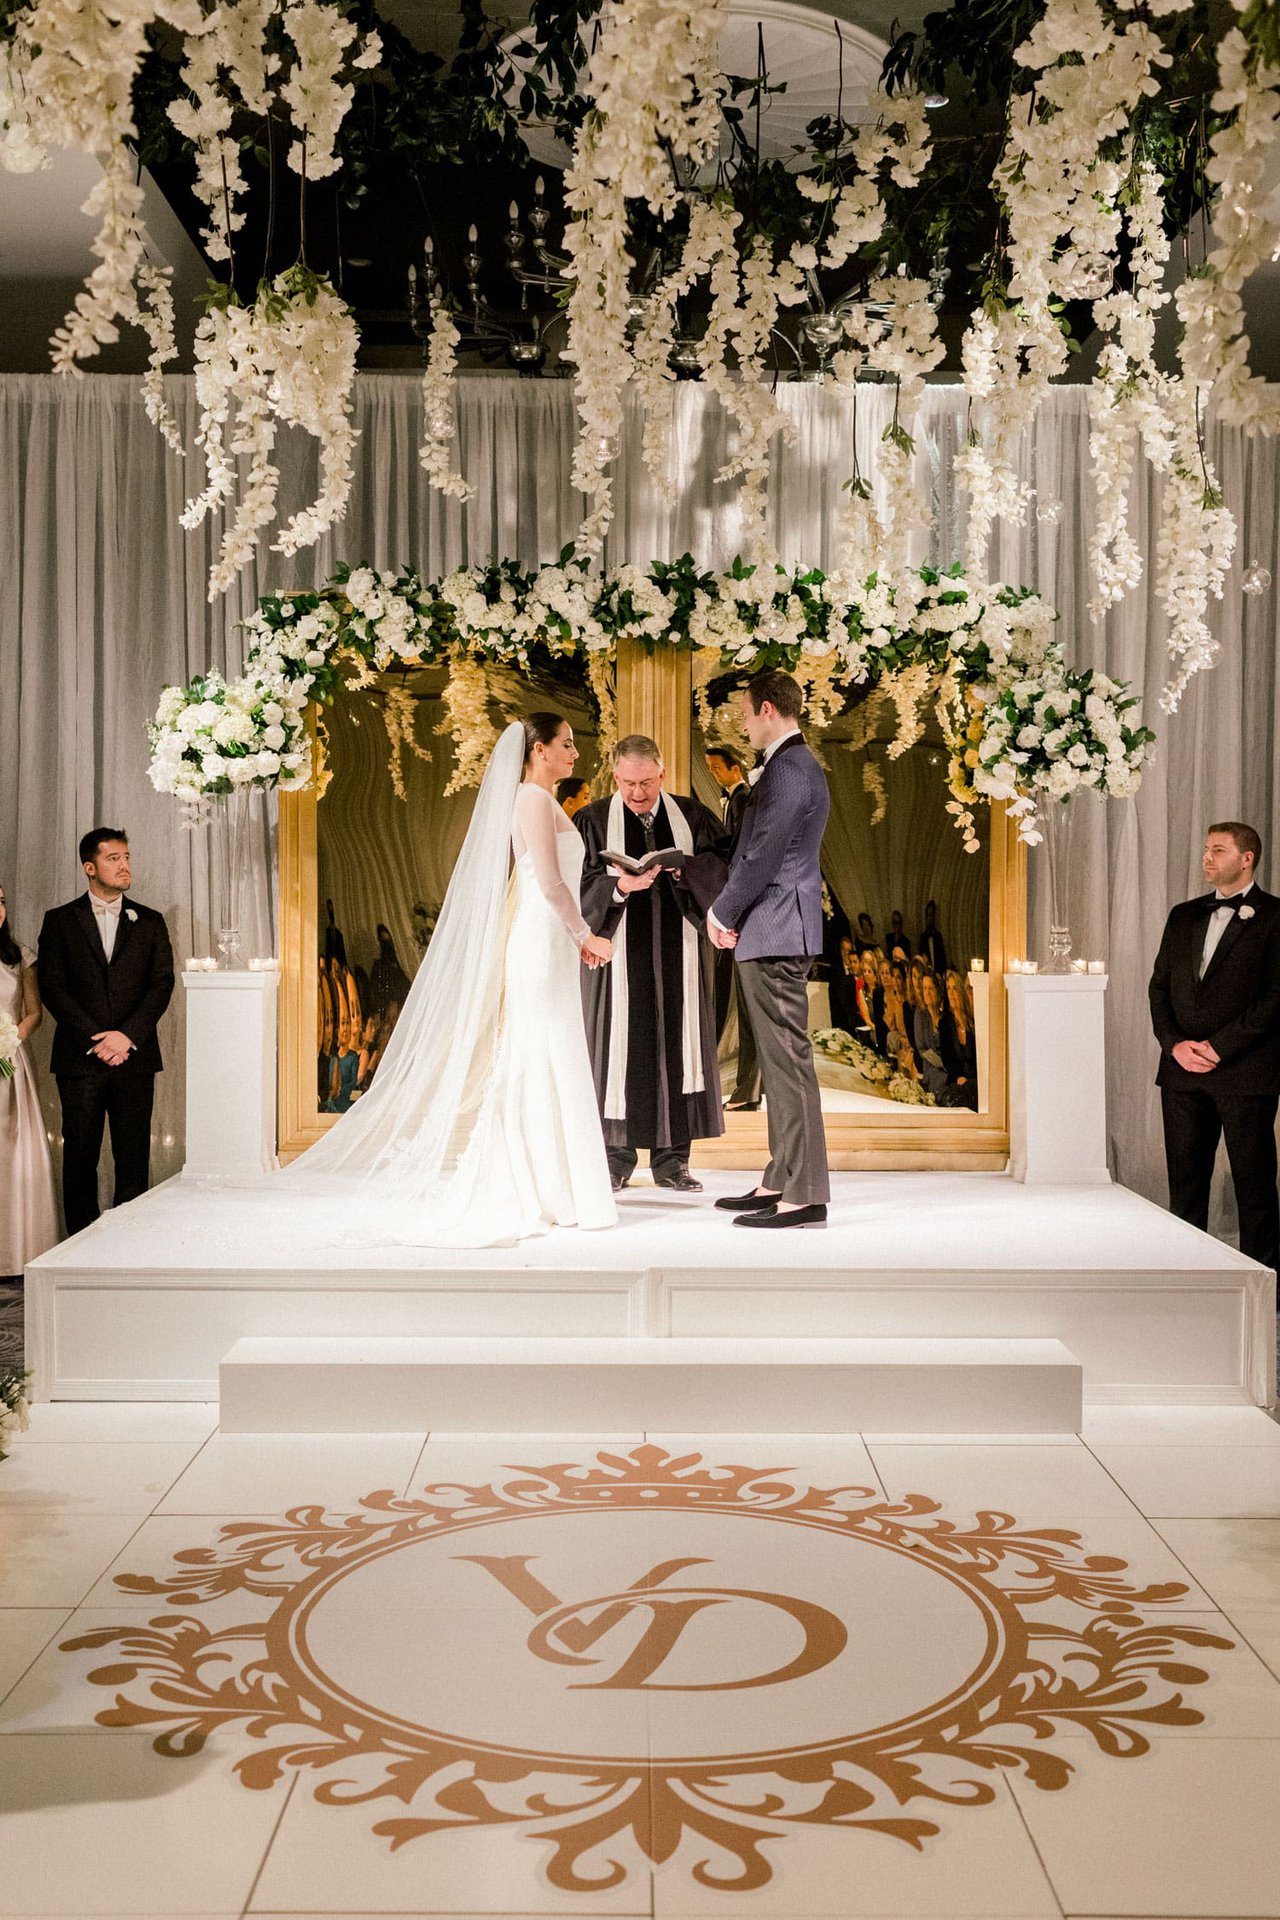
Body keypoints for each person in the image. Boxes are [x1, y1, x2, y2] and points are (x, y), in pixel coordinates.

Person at [286, 715, 616, 1246]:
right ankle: (543, 1185)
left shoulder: (542, 799)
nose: (576, 753)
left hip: (549, 937)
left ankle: (561, 1187)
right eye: (567, 744)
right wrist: (585, 936)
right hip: (543, 935)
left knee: (551, 1050)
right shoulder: (531, 799)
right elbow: (551, 883)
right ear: (539, 749)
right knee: (538, 1051)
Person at [578, 735, 729, 1192]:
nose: (638, 793)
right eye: (627, 784)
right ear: (614, 776)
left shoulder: (692, 815)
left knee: (677, 1046)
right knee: (618, 1047)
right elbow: (576, 882)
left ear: (662, 773)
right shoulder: (593, 820)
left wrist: (687, 872)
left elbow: (722, 865)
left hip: (678, 950)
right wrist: (620, 887)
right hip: (617, 956)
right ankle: (614, 1158)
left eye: (646, 782)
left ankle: (673, 1162)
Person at [709, 670, 831, 1229]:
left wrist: (721, 911)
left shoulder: (788, 770)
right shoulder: (789, 767)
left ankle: (805, 1195)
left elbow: (761, 855)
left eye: (744, 711)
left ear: (765, 709)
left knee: (788, 1066)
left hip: (778, 926)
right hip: (776, 926)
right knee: (782, 1066)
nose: (740, 721)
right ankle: (780, 1177)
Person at [1149, 820, 1280, 1274]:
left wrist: (1220, 1047)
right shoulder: (1183, 915)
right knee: (1186, 1184)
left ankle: (1266, 1288)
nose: (1207, 857)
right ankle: (1188, 1277)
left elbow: (1276, 998)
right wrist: (1175, 1046)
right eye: (1206, 849)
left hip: (1246, 1073)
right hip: (1182, 1073)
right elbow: (1159, 987)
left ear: (1247, 859)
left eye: (1218, 850)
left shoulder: (1276, 917)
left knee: (1254, 1186)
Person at [37, 830, 174, 1237]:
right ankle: (80, 1246)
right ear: (90, 868)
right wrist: (98, 1039)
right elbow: (53, 987)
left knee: (133, 1156)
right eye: (114, 858)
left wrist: (126, 1037)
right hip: (81, 1060)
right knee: (80, 1156)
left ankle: (128, 1245)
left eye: (127, 856)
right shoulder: (59, 921)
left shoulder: (150, 921)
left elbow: (161, 984)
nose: (125, 865)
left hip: (135, 1057)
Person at [0, 882, 59, 1278]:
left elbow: (35, 1012)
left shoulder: (20, 955)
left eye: (1, 900)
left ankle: (16, 1250)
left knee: (13, 1148)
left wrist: (10, 1038)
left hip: (10, 1062)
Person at [705, 742, 761, 1109]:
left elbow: (740, 858)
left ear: (734, 767)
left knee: (748, 1008)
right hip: (739, 915)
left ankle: (749, 1090)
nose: (712, 773)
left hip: (742, 916)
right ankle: (748, 1090)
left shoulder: (741, 800)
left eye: (716, 768)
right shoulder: (734, 800)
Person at [941, 968, 978, 1109]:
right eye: (948, 988)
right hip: (956, 1079)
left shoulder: (973, 1021)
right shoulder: (945, 1023)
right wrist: (958, 1077)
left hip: (975, 1078)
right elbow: (947, 1059)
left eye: (955, 988)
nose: (951, 993)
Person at [912, 970, 950, 1100]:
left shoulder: (945, 1018)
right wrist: (942, 1064)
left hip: (948, 1067)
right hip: (931, 1067)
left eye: (931, 988)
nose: (927, 992)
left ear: (938, 992)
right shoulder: (920, 1016)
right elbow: (922, 1048)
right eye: (925, 988)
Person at [919, 899, 947, 974]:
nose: (929, 918)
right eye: (928, 915)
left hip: (939, 974)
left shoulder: (938, 936)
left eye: (931, 915)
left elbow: (942, 959)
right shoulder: (923, 937)